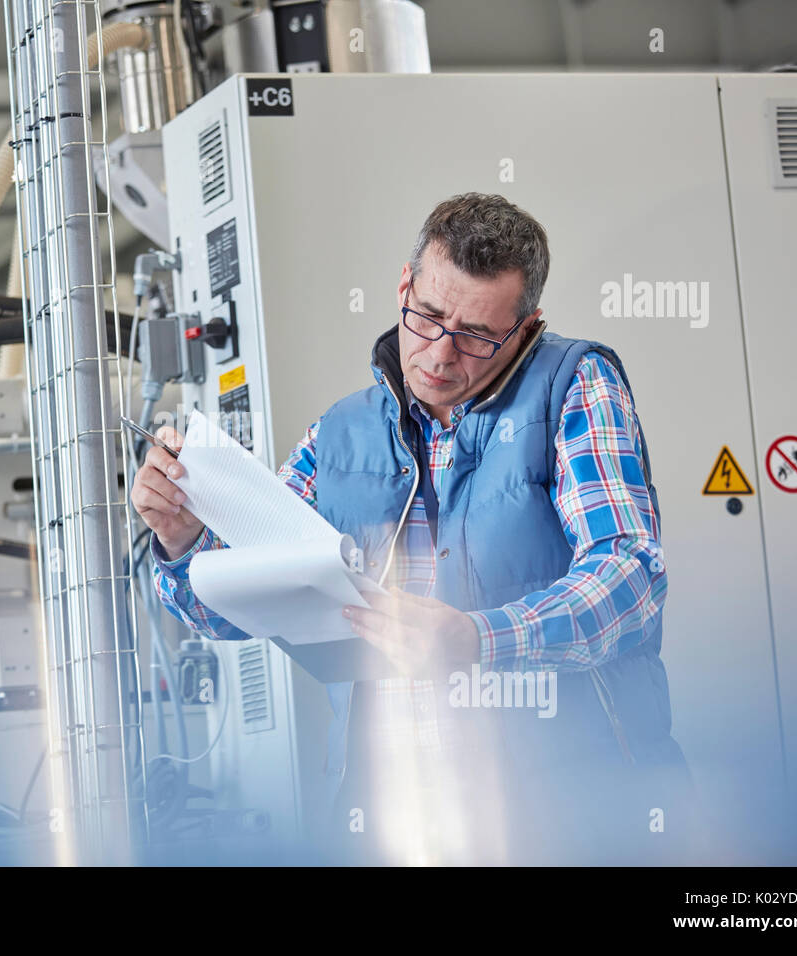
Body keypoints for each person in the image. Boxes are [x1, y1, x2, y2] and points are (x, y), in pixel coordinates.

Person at [132, 193, 692, 863]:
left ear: (526, 327)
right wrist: (182, 539)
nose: (439, 354)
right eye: (426, 317)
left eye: (478, 335)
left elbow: (630, 578)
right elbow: (229, 611)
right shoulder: (338, 436)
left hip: (578, 821)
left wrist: (480, 639)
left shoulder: (575, 386)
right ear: (405, 285)